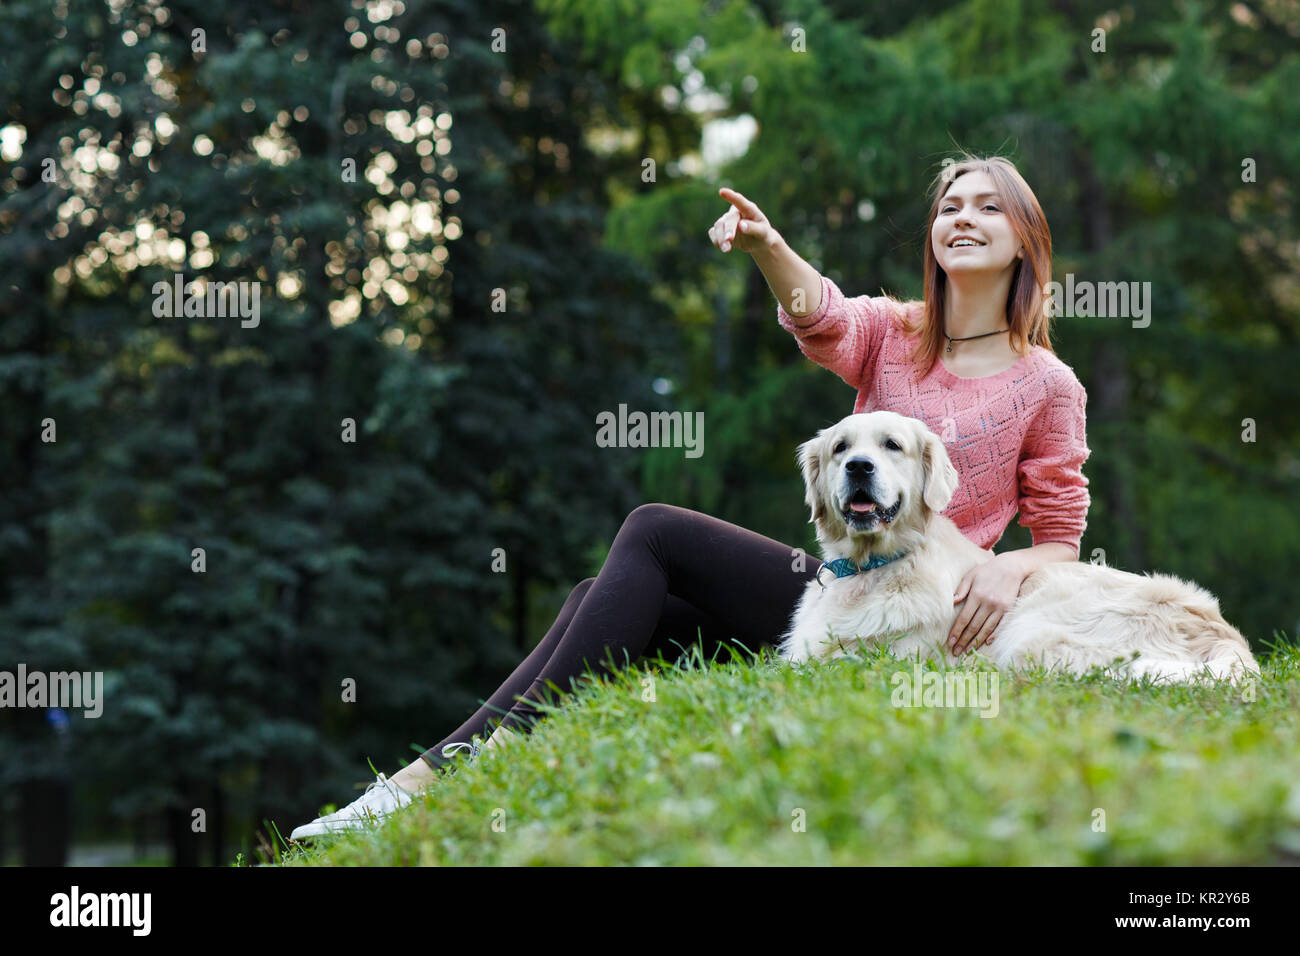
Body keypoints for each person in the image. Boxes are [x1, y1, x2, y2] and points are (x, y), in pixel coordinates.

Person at [289, 151, 1090, 840]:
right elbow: (824, 317)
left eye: (988, 207)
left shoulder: (1048, 384)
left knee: (654, 530)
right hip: (838, 597)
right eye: (948, 206)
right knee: (594, 598)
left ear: (1025, 238)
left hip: (921, 613)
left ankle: (479, 758)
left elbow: (1060, 534)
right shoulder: (895, 332)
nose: (962, 217)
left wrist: (1003, 570)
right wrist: (768, 245)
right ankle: (409, 789)